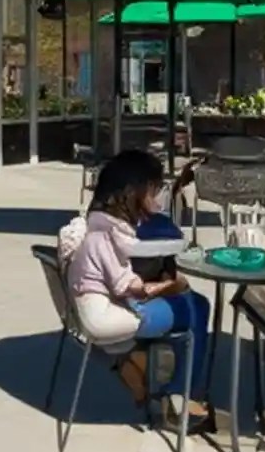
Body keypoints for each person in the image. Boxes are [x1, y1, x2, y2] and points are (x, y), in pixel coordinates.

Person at [67, 149, 210, 423]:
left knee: (185, 302)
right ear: (136, 191)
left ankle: (134, 364)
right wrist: (171, 286)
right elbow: (138, 282)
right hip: (121, 309)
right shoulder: (134, 229)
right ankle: (183, 393)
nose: (158, 198)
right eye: (155, 190)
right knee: (195, 308)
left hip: (88, 308)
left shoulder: (95, 220)